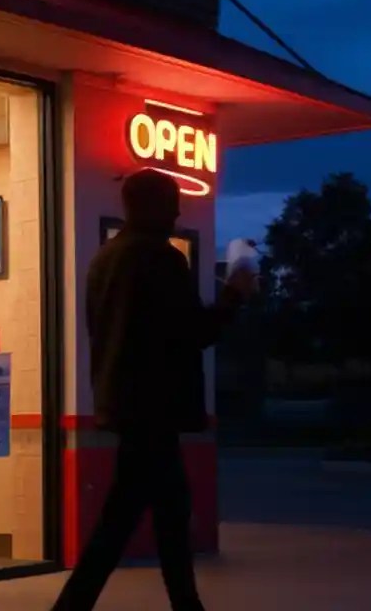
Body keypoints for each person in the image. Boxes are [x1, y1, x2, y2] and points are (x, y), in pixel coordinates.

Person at [52, 169, 256, 611]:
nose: (179, 211)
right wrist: (234, 296)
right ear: (154, 207)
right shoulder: (161, 258)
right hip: (155, 408)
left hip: (124, 405)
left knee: (154, 515)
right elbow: (192, 331)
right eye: (172, 202)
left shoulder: (104, 260)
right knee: (142, 518)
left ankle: (180, 604)